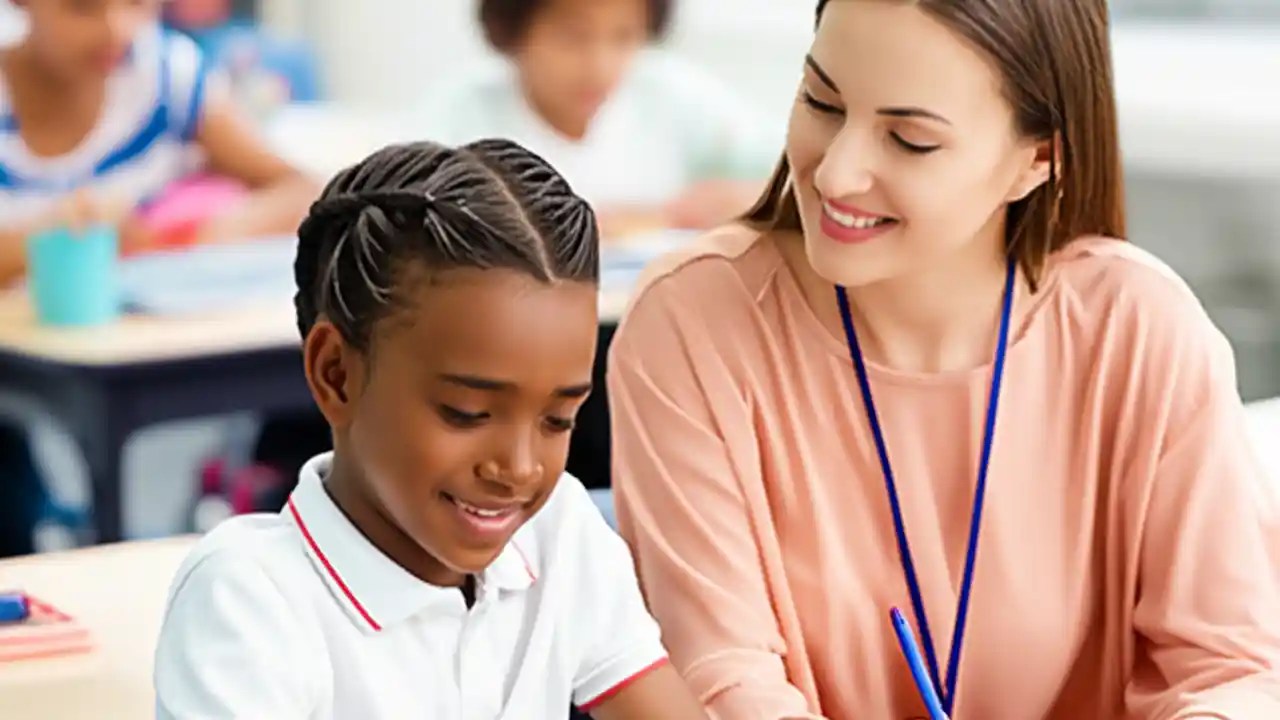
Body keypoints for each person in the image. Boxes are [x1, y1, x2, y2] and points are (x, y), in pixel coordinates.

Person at [609, 1, 1280, 718]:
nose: (837, 174)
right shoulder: (693, 322)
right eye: (822, 102)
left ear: (1039, 158)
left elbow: (1228, 665)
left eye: (909, 139)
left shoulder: (1138, 329)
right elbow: (723, 679)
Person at [153, 139, 706, 719]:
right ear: (336, 374)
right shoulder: (252, 601)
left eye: (557, 420)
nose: (519, 466)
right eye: (467, 413)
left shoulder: (560, 534)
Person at [0, 0, 314, 283]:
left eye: (136, 3)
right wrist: (62, 237)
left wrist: (203, 237)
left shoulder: (169, 76)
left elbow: (300, 188)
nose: (116, 30)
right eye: (83, 6)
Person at [421, 0, 774, 236]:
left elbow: (790, 173)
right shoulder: (461, 116)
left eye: (623, 37)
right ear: (514, 32)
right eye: (573, 37)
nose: (599, 66)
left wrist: (705, 207)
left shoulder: (673, 96)